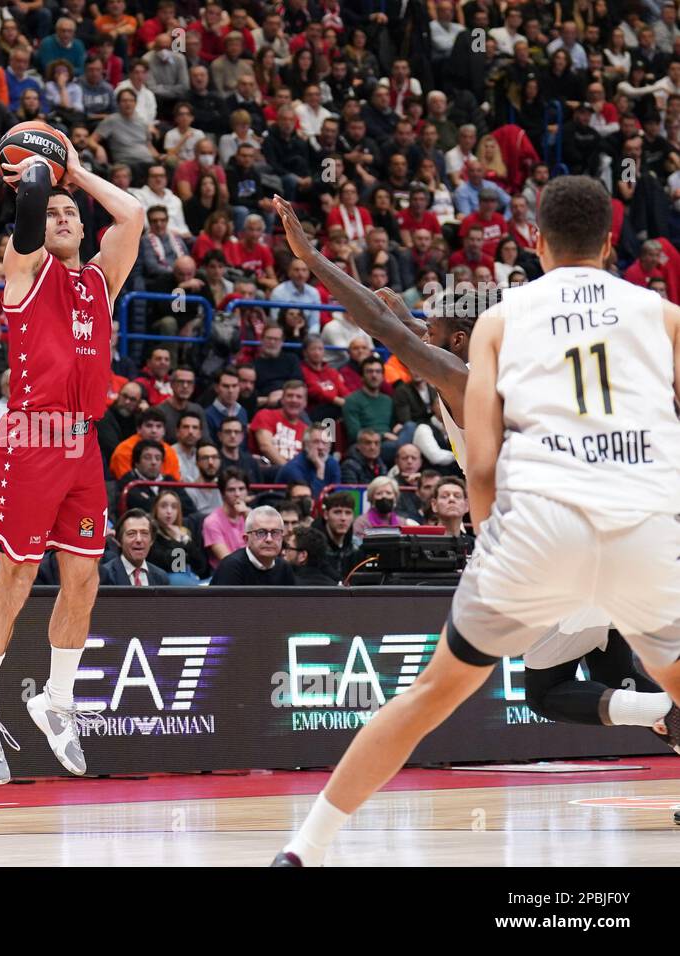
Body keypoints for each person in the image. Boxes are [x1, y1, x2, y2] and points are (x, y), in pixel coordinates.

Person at [273, 176, 680, 867]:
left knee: (436, 696)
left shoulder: (482, 344)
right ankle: (658, 712)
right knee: (622, 682)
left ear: (536, 242)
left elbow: (474, 453)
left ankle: (302, 852)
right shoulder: (659, 312)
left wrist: (310, 259)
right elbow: (385, 309)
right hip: (639, 519)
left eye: (434, 324)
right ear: (611, 241)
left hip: (537, 529)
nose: (421, 326)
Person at [0, 133, 143, 786]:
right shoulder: (26, 271)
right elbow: (31, 202)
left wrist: (78, 171)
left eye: (71, 215)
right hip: (33, 437)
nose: (60, 218)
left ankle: (56, 698)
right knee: (17, 576)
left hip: (83, 442)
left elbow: (135, 215)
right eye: (53, 214)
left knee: (84, 580)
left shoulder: (101, 280)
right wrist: (39, 173)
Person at [209, 505, 296, 585]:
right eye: (261, 533)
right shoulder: (231, 567)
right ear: (246, 539)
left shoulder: (284, 568)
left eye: (275, 533)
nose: (269, 539)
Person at [98, 509, 170, 586]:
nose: (139, 539)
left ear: (151, 541)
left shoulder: (161, 577)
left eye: (144, 533)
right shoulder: (105, 575)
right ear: (119, 541)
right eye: (131, 534)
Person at [200, 466, 249, 568]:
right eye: (231, 490)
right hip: (226, 573)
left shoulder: (251, 515)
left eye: (241, 489)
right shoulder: (212, 521)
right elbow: (227, 560)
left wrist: (247, 516)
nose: (237, 494)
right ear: (222, 493)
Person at [353, 475, 420, 536]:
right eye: (379, 493)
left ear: (395, 497)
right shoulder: (362, 523)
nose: (384, 496)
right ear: (372, 498)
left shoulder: (403, 524)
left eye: (388, 493)